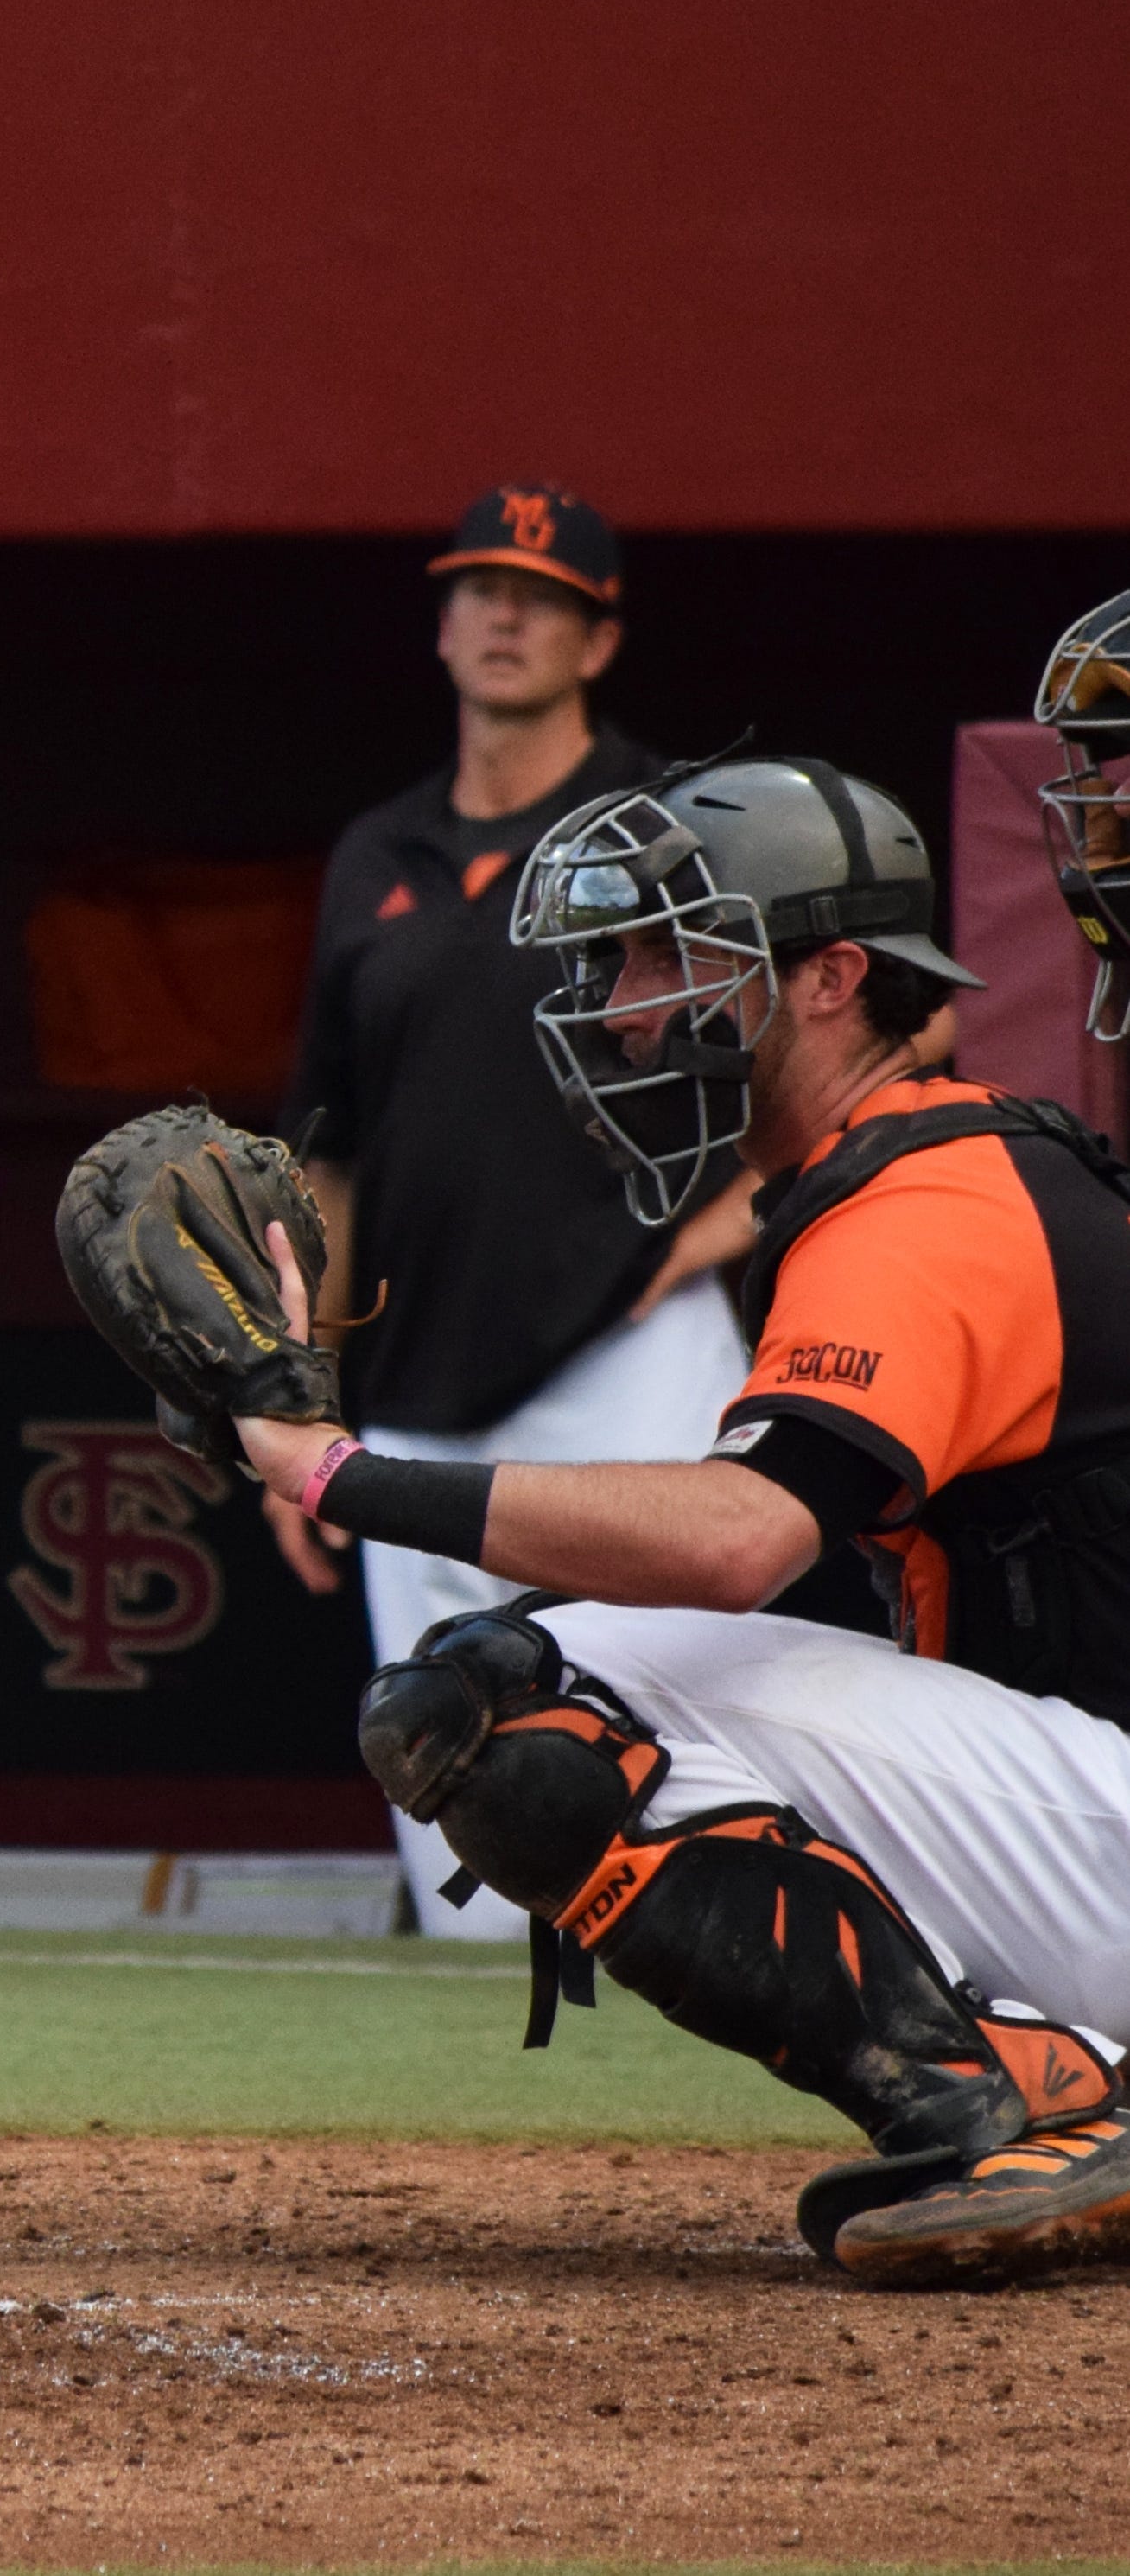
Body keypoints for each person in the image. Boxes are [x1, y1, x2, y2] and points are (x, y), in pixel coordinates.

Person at [247, 746, 1130, 2287]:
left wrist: (334, 1468)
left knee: (525, 1691)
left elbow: (738, 1541)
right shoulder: (911, 1178)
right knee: (580, 1665)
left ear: (833, 978)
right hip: (1092, 1806)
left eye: (677, 952)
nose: (626, 1004)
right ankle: (1058, 2068)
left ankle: (1033, 2088)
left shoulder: (932, 1197)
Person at [270, 483, 753, 1936]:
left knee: (679, 1787)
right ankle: (496, 2167)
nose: (504, 615)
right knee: (452, 1815)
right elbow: (331, 1148)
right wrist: (305, 1388)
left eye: (541, 597)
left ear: (597, 638)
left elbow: (876, 1033)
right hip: (412, 1387)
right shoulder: (380, 849)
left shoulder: (672, 824)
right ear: (441, 622)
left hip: (623, 1357)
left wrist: (714, 1232)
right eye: (481, 588)